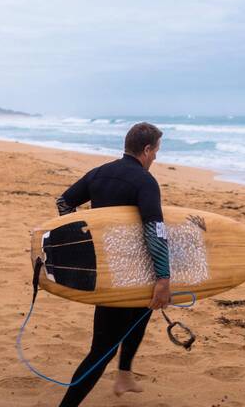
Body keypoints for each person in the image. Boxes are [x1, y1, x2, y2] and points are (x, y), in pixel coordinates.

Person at [54, 122, 171, 407]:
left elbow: (64, 203)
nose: (156, 157)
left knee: (144, 312)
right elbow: (155, 229)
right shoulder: (145, 182)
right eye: (156, 151)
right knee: (101, 351)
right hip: (123, 277)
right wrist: (164, 277)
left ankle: (124, 374)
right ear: (146, 150)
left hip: (107, 269)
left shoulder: (99, 173)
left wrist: (84, 243)